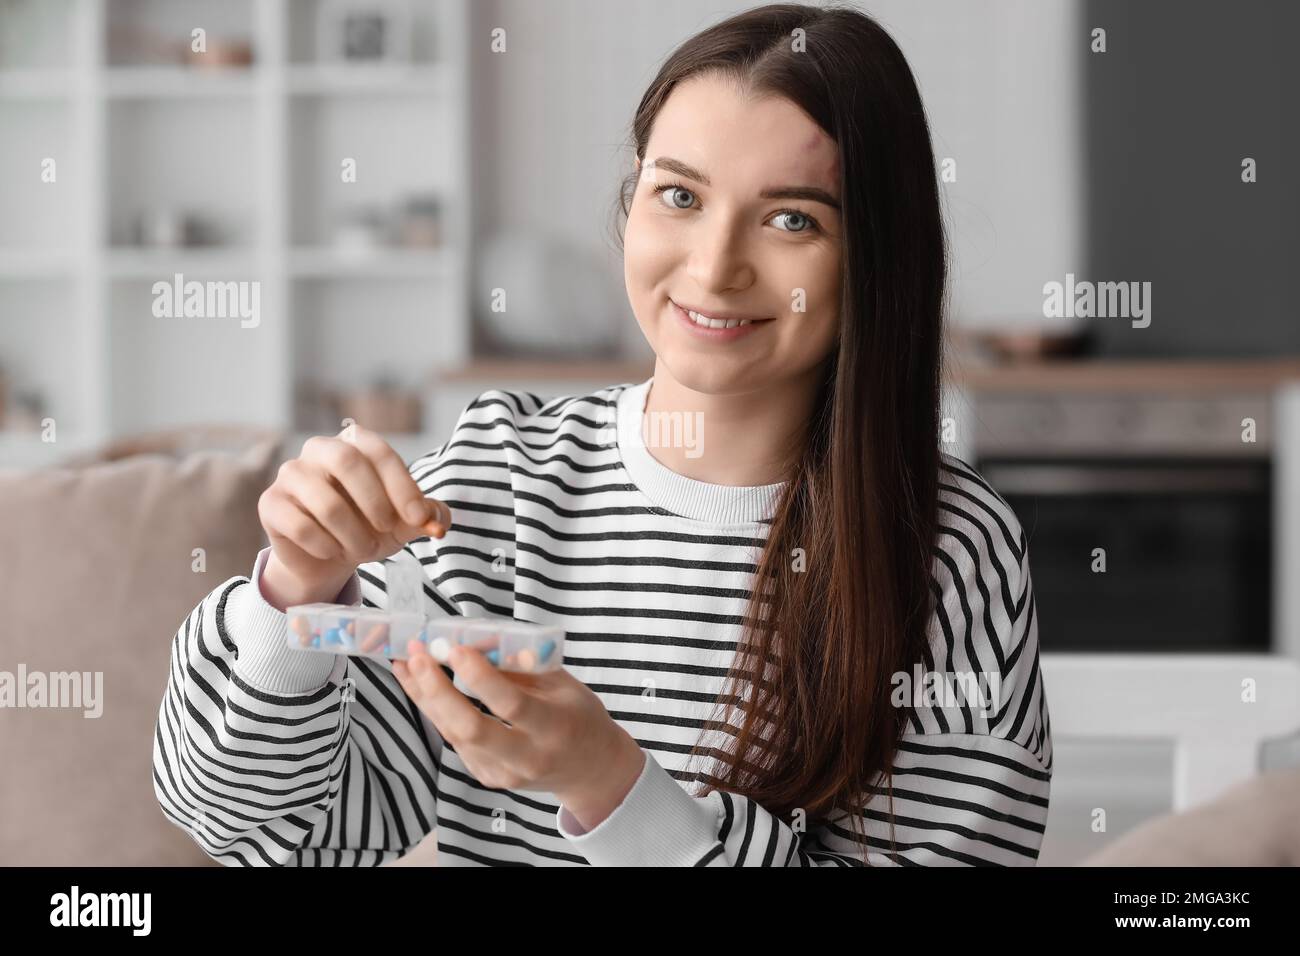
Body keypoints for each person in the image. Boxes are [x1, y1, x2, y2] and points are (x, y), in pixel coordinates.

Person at [154, 2, 1051, 866]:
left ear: (875, 257)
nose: (714, 266)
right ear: (632, 205)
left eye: (791, 219)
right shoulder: (497, 482)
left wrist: (613, 788)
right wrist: (294, 595)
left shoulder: (951, 551)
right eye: (679, 196)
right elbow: (274, 835)